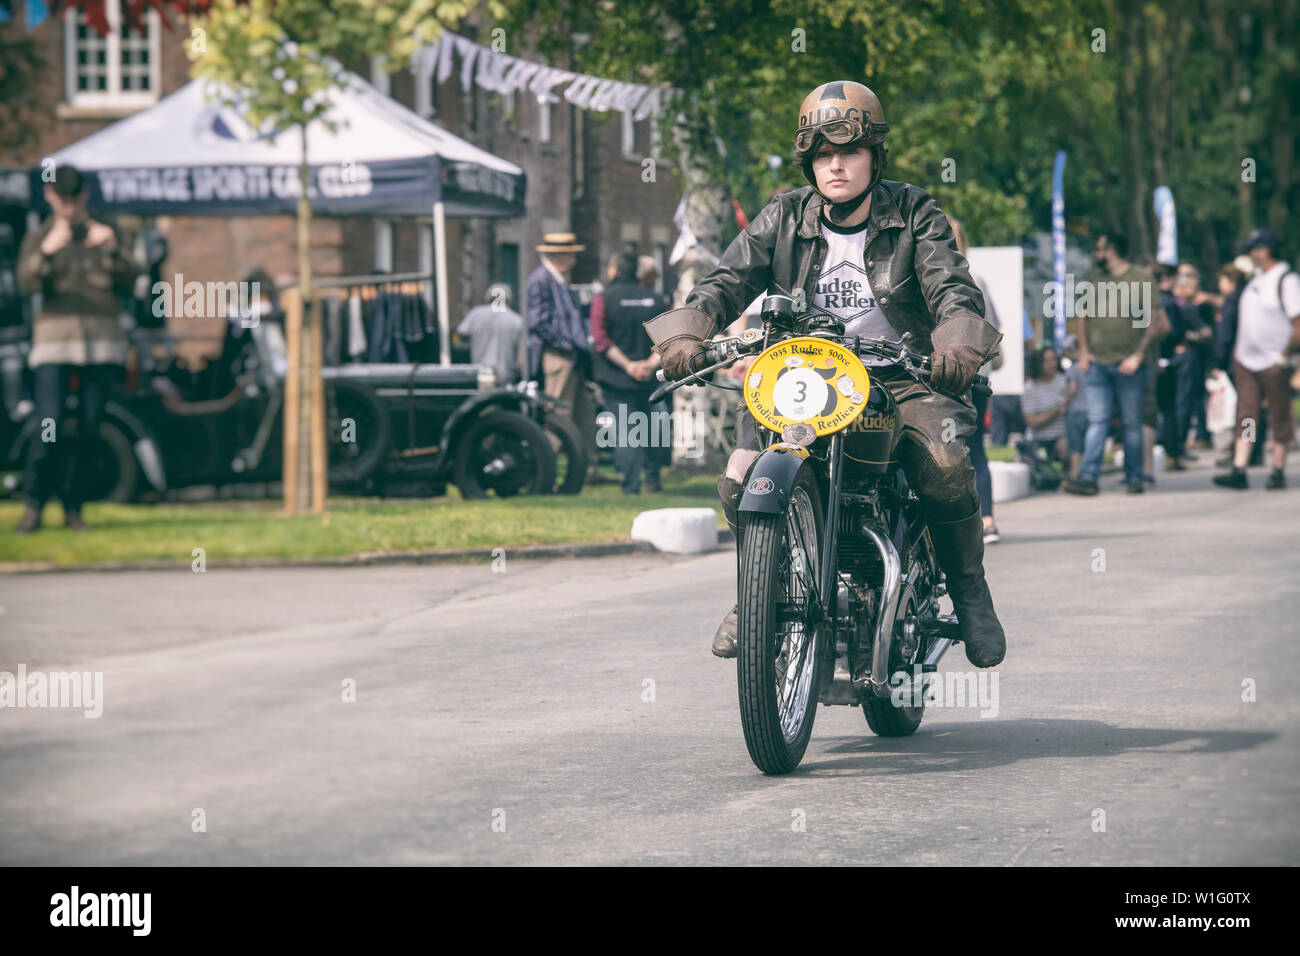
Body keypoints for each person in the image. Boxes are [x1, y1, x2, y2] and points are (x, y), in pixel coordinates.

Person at [645, 80, 1006, 669]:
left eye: (849, 152)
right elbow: (725, 279)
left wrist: (957, 345)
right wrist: (686, 331)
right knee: (742, 475)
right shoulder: (784, 215)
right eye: (821, 155)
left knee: (943, 465)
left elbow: (952, 287)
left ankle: (970, 592)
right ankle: (756, 593)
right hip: (802, 377)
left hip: (901, 375)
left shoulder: (915, 212)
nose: (835, 165)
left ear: (874, 157)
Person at [14, 165, 135, 533]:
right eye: (61, 199)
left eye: (74, 198)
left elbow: (133, 282)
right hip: (54, 345)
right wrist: (47, 253)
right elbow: (25, 284)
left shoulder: (109, 232)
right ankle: (35, 502)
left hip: (100, 346)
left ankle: (73, 505)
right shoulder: (39, 237)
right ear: (50, 197)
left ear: (83, 196)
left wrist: (113, 251)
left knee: (89, 427)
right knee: (48, 424)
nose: (68, 206)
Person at [1063, 232, 1169, 496]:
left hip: (1130, 364)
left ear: (1112, 250)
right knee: (1097, 420)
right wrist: (1084, 352)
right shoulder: (1095, 279)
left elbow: (1154, 321)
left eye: (1099, 248)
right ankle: (1088, 477)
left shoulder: (1140, 278)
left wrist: (1138, 355)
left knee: (1131, 422)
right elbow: (1082, 317)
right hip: (1098, 363)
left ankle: (1134, 477)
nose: (1095, 254)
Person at [1213, 227, 1300, 490]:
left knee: (1279, 414)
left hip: (1274, 360)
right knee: (1247, 415)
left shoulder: (1286, 279)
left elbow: (1297, 323)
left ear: (1266, 250)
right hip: (1247, 360)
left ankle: (1278, 468)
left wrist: (1286, 356)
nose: (1251, 253)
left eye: (1254, 248)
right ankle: (1240, 467)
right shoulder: (1255, 280)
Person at [526, 232, 600, 482]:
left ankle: (589, 470)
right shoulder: (541, 280)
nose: (574, 260)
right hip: (559, 357)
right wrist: (566, 344)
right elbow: (538, 322)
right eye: (571, 254)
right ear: (558, 255)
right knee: (557, 416)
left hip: (572, 357)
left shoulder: (557, 280)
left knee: (584, 414)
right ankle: (545, 470)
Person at [590, 251, 666, 494]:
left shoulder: (604, 299)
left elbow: (601, 340)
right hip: (651, 378)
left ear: (614, 270)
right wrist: (650, 364)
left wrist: (629, 366)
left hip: (617, 378)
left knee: (625, 433)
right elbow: (666, 338)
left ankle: (630, 487)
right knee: (655, 430)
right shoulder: (655, 299)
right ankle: (653, 482)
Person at [948, 215, 1001, 543]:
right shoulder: (976, 279)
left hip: (944, 376)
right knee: (975, 448)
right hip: (976, 376)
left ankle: (959, 522)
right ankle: (987, 519)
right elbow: (992, 330)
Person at [457, 283, 525, 383]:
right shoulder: (517, 320)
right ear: (509, 300)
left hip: (480, 375)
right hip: (505, 377)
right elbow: (521, 358)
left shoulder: (475, 314)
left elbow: (459, 339)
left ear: (488, 299)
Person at [1020, 345, 1070, 464]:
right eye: (1047, 361)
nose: (1052, 364)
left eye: (1054, 359)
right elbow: (1032, 422)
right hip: (1037, 439)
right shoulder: (1030, 388)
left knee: (1067, 447)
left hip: (1060, 437)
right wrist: (1056, 410)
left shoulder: (1064, 381)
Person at [1060, 334, 1089, 478]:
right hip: (1089, 410)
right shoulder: (1089, 367)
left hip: (1075, 411)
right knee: (1088, 443)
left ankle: (1075, 472)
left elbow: (1072, 389)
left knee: (1075, 445)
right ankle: (1087, 471)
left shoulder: (1072, 369)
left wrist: (1065, 404)